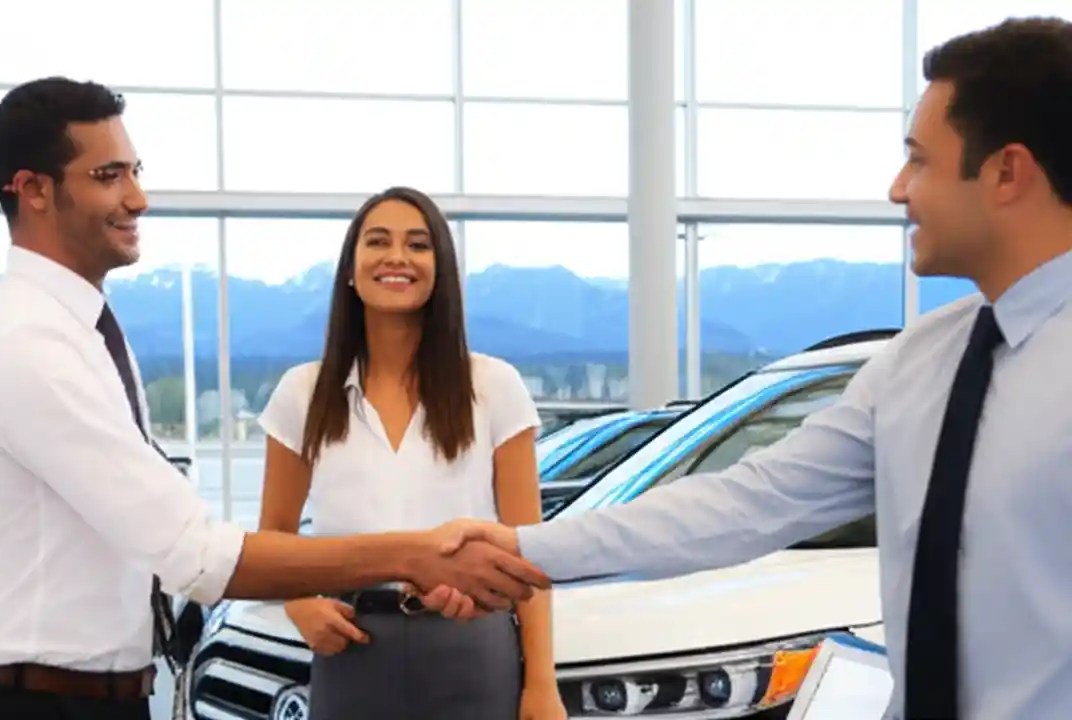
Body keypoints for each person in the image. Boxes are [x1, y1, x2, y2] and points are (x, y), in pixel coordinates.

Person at [431, 16, 1072, 720]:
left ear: (1007, 172)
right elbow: (746, 502)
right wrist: (522, 548)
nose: (898, 189)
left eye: (919, 159)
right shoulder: (920, 361)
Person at [0, 77, 548, 720]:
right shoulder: (30, 346)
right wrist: (410, 555)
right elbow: (194, 553)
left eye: (134, 172)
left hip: (94, 695)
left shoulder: (77, 332)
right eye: (108, 175)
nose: (138, 198)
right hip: (42, 704)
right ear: (33, 190)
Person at [255, 187, 565, 719]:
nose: (397, 257)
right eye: (378, 242)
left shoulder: (494, 386)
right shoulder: (302, 392)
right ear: (350, 271)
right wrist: (299, 604)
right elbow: (273, 536)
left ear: (439, 270)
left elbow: (527, 552)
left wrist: (541, 683)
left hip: (471, 644)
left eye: (418, 245)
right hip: (351, 647)